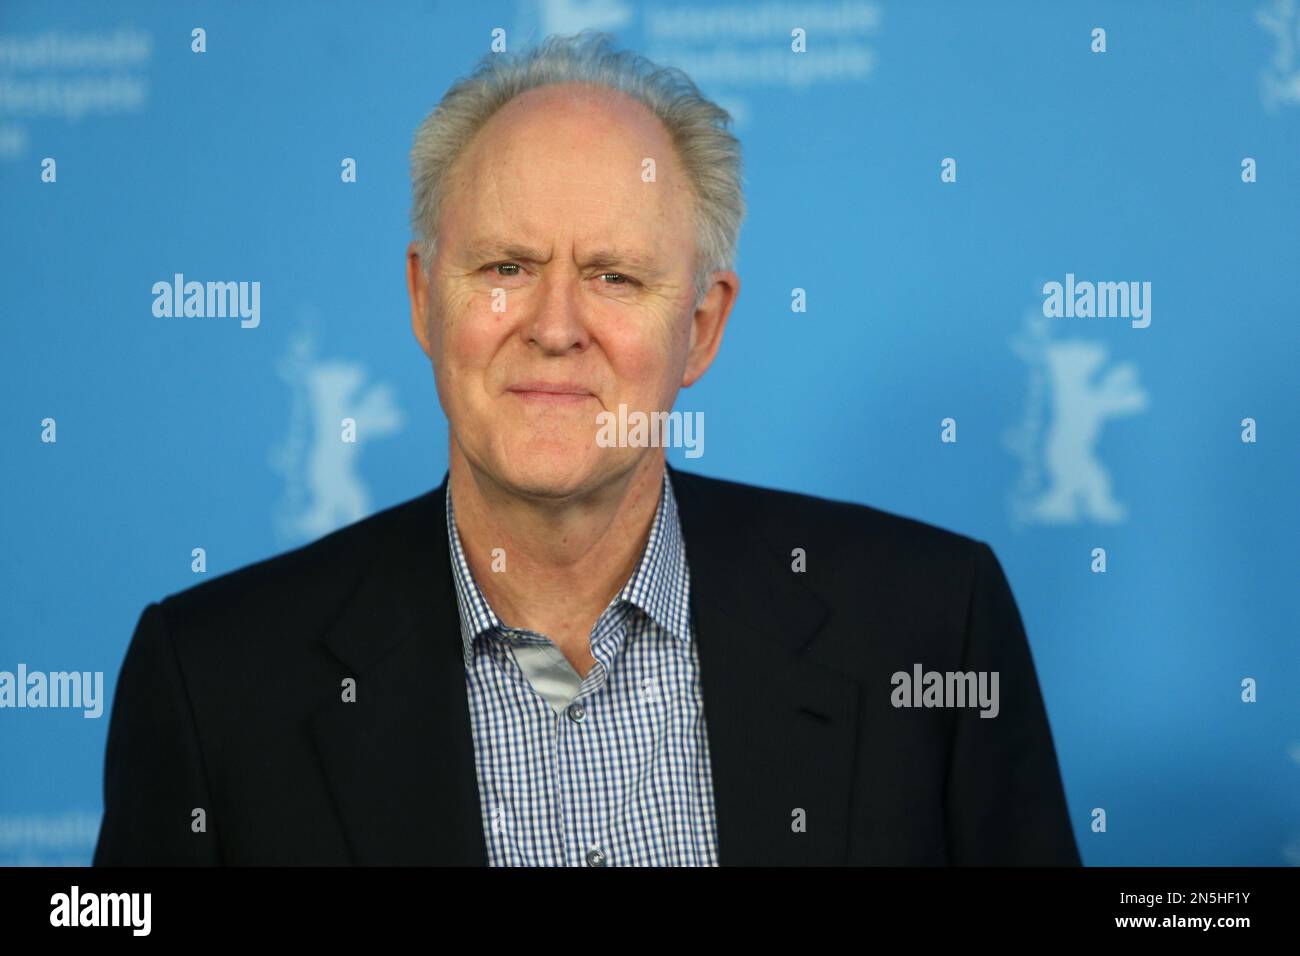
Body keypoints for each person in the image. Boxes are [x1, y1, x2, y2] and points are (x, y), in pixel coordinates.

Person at [93, 32, 1079, 866]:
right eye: (506, 266)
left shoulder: (929, 623)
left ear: (700, 327)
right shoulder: (214, 684)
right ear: (422, 300)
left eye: (612, 275)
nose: (555, 325)